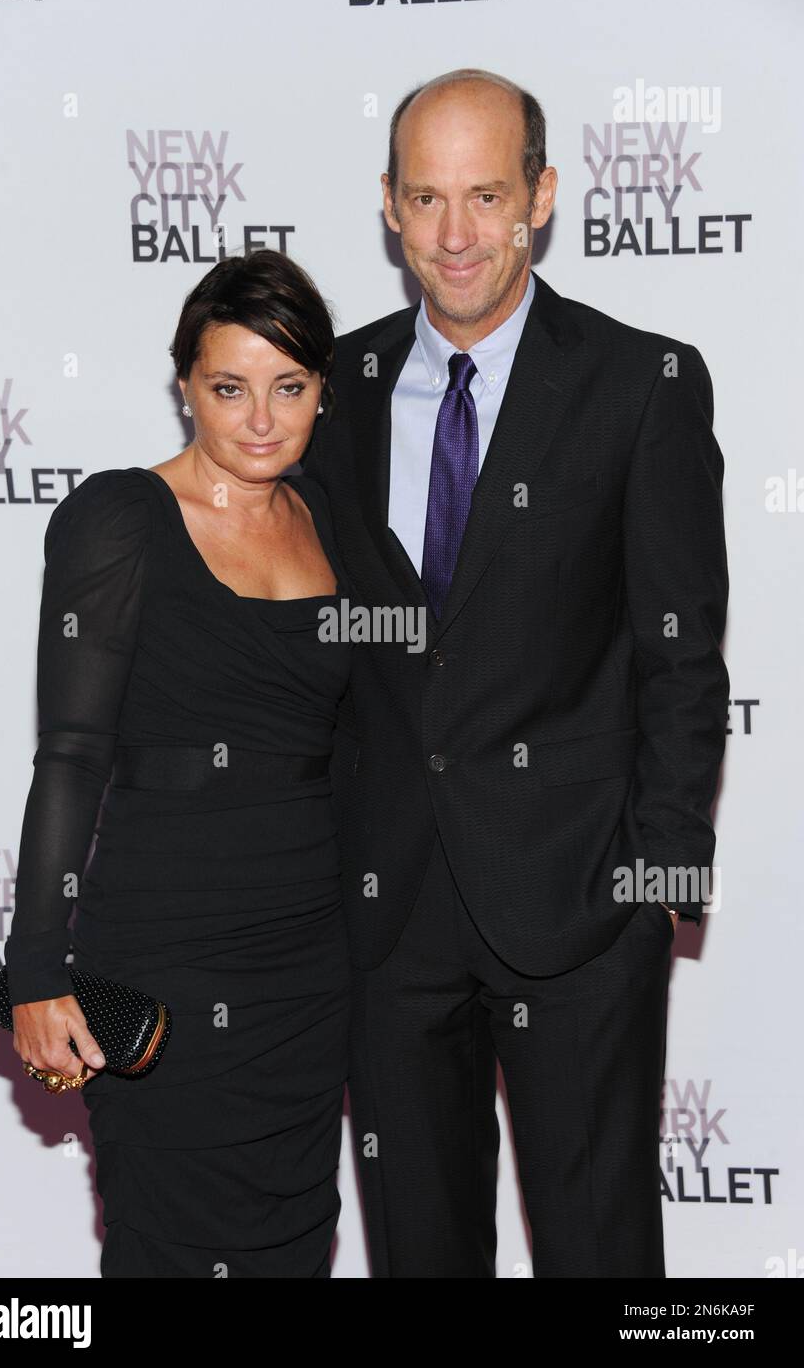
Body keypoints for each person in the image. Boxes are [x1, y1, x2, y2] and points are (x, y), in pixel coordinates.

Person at [302, 69, 729, 1277]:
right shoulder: (334, 392)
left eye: (486, 195)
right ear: (387, 205)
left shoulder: (640, 386)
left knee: (601, 1255)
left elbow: (683, 660)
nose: (454, 236)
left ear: (541, 195)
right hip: (388, 915)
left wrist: (650, 885)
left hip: (580, 906)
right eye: (426, 198)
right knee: (418, 1255)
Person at [5, 248, 354, 1278]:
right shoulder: (121, 518)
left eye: (288, 387)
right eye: (228, 387)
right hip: (168, 944)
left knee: (294, 1240)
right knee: (174, 1240)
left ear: (322, 392)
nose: (259, 418)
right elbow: (70, 755)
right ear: (183, 388)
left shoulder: (329, 519)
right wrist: (35, 968)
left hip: (309, 962)